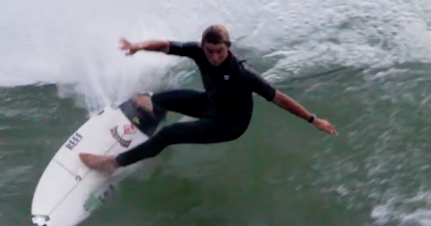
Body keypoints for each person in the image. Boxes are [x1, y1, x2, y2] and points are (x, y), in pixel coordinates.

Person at [79, 25, 338, 173]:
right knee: (152, 98)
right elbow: (168, 46)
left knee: (170, 135)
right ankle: (155, 115)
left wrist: (313, 119)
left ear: (228, 48)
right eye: (210, 51)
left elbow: (279, 98)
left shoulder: (242, 75)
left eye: (220, 51)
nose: (214, 57)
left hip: (228, 124)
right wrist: (138, 46)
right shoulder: (199, 52)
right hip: (210, 102)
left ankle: (112, 163)